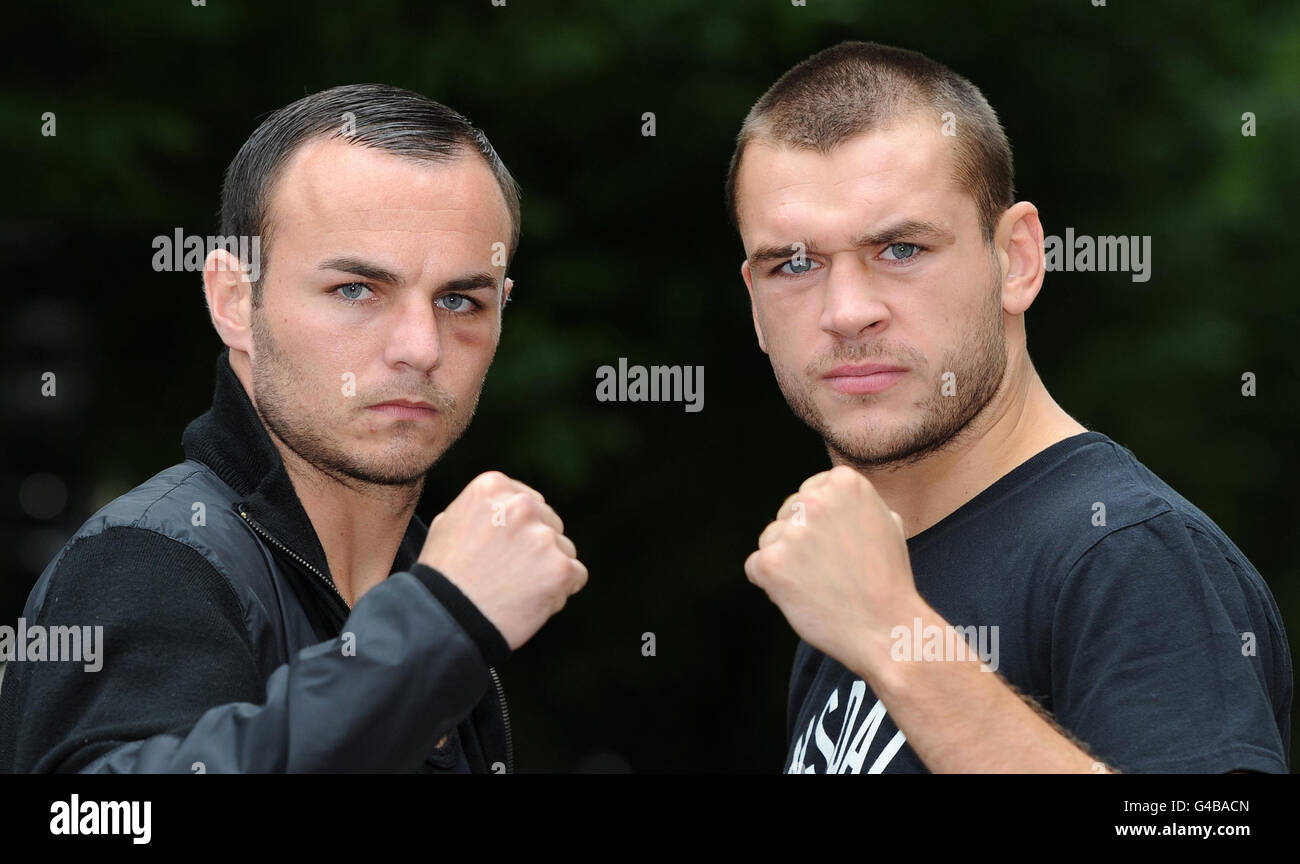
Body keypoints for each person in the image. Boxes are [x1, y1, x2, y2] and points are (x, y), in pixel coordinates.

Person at [727, 42, 1291, 773]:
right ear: (755, 307)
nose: (847, 311)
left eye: (899, 249)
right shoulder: (854, 573)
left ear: (1017, 259)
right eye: (795, 265)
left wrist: (892, 637)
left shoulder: (1128, 553)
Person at [0, 84, 587, 773]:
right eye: (356, 290)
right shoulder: (151, 559)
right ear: (233, 301)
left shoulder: (434, 576)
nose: (421, 347)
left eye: (460, 300)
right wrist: (436, 631)